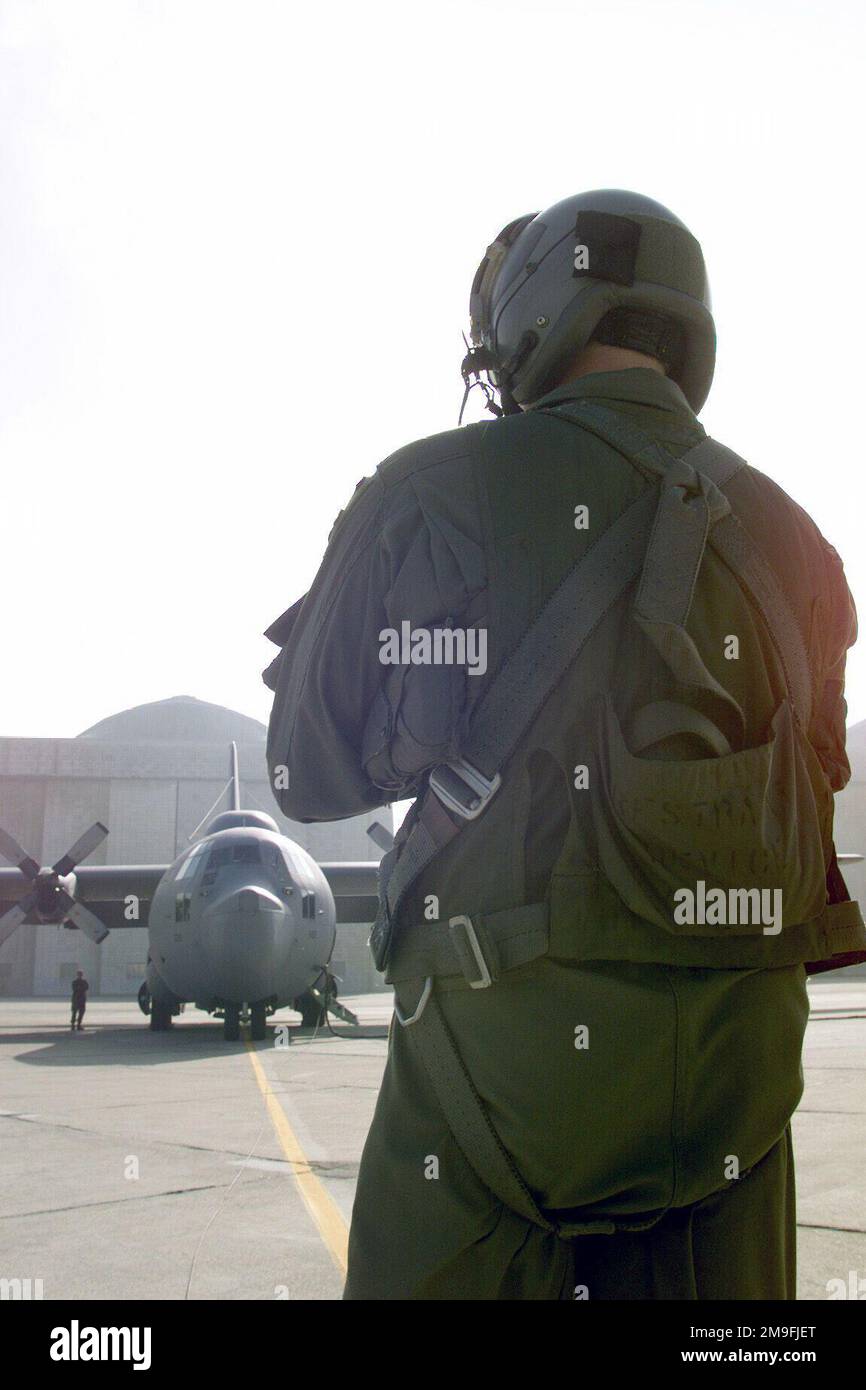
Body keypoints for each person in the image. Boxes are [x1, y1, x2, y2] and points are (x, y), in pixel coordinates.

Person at [263, 190, 864, 1300]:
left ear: (543, 308)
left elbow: (305, 769)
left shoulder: (429, 491)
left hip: (484, 1128)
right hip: (731, 1144)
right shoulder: (803, 547)